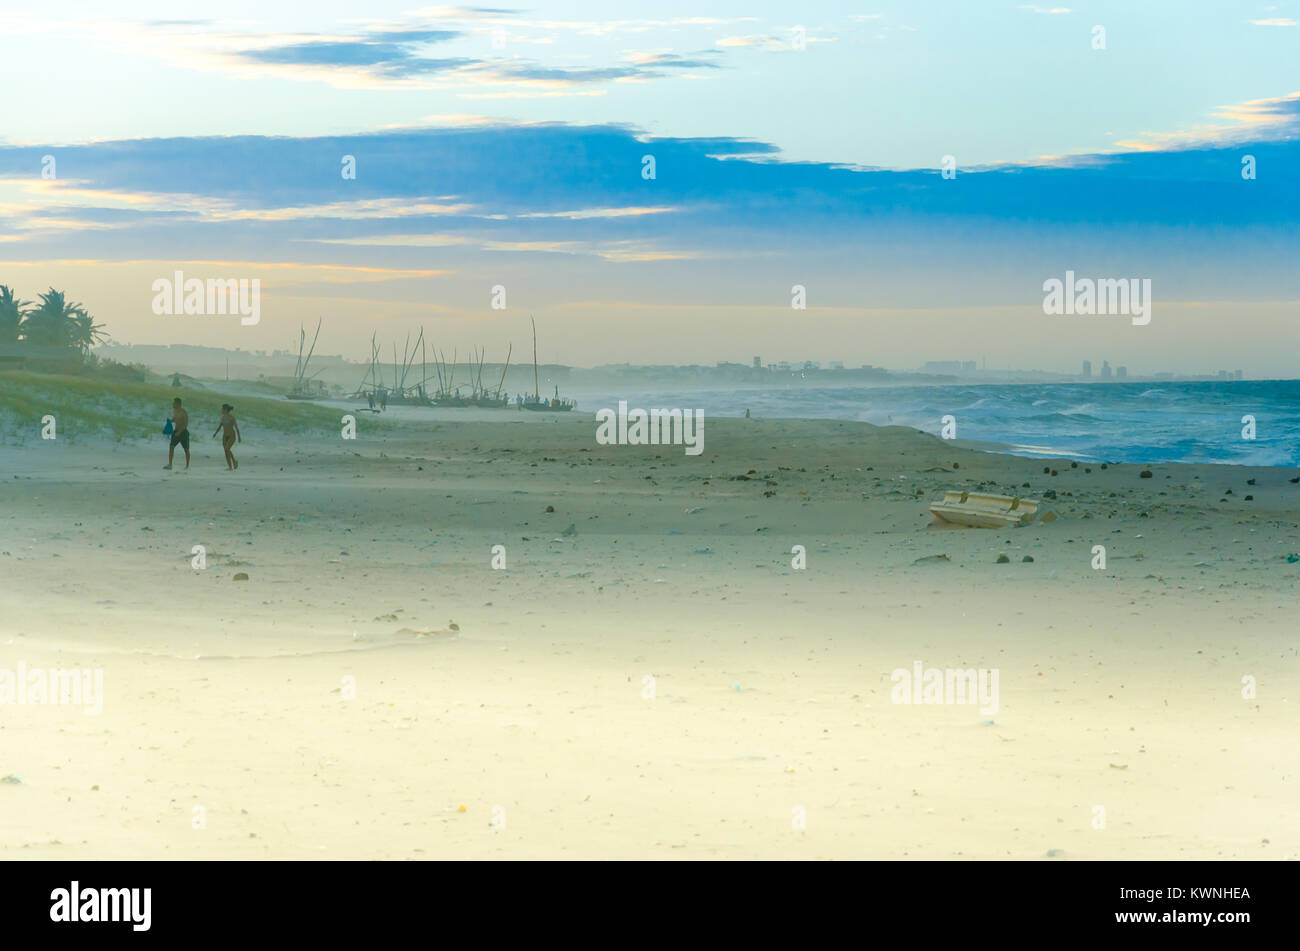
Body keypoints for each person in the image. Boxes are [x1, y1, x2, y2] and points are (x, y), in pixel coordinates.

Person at [212, 403, 241, 470]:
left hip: (231, 436)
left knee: (227, 449)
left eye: (222, 409)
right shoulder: (223, 417)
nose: (221, 410)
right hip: (225, 436)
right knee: (226, 451)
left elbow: (236, 427)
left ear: (225, 410)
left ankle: (233, 462)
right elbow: (220, 426)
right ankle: (231, 466)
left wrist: (239, 437)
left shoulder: (232, 418)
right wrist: (215, 433)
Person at [164, 397, 190, 470]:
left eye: (174, 403)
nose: (173, 404)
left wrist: (180, 432)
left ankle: (187, 466)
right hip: (176, 431)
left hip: (183, 432)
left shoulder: (183, 412)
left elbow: (185, 424)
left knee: (186, 449)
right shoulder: (175, 411)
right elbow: (175, 419)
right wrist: (170, 421)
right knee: (171, 446)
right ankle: (170, 464)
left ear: (178, 404)